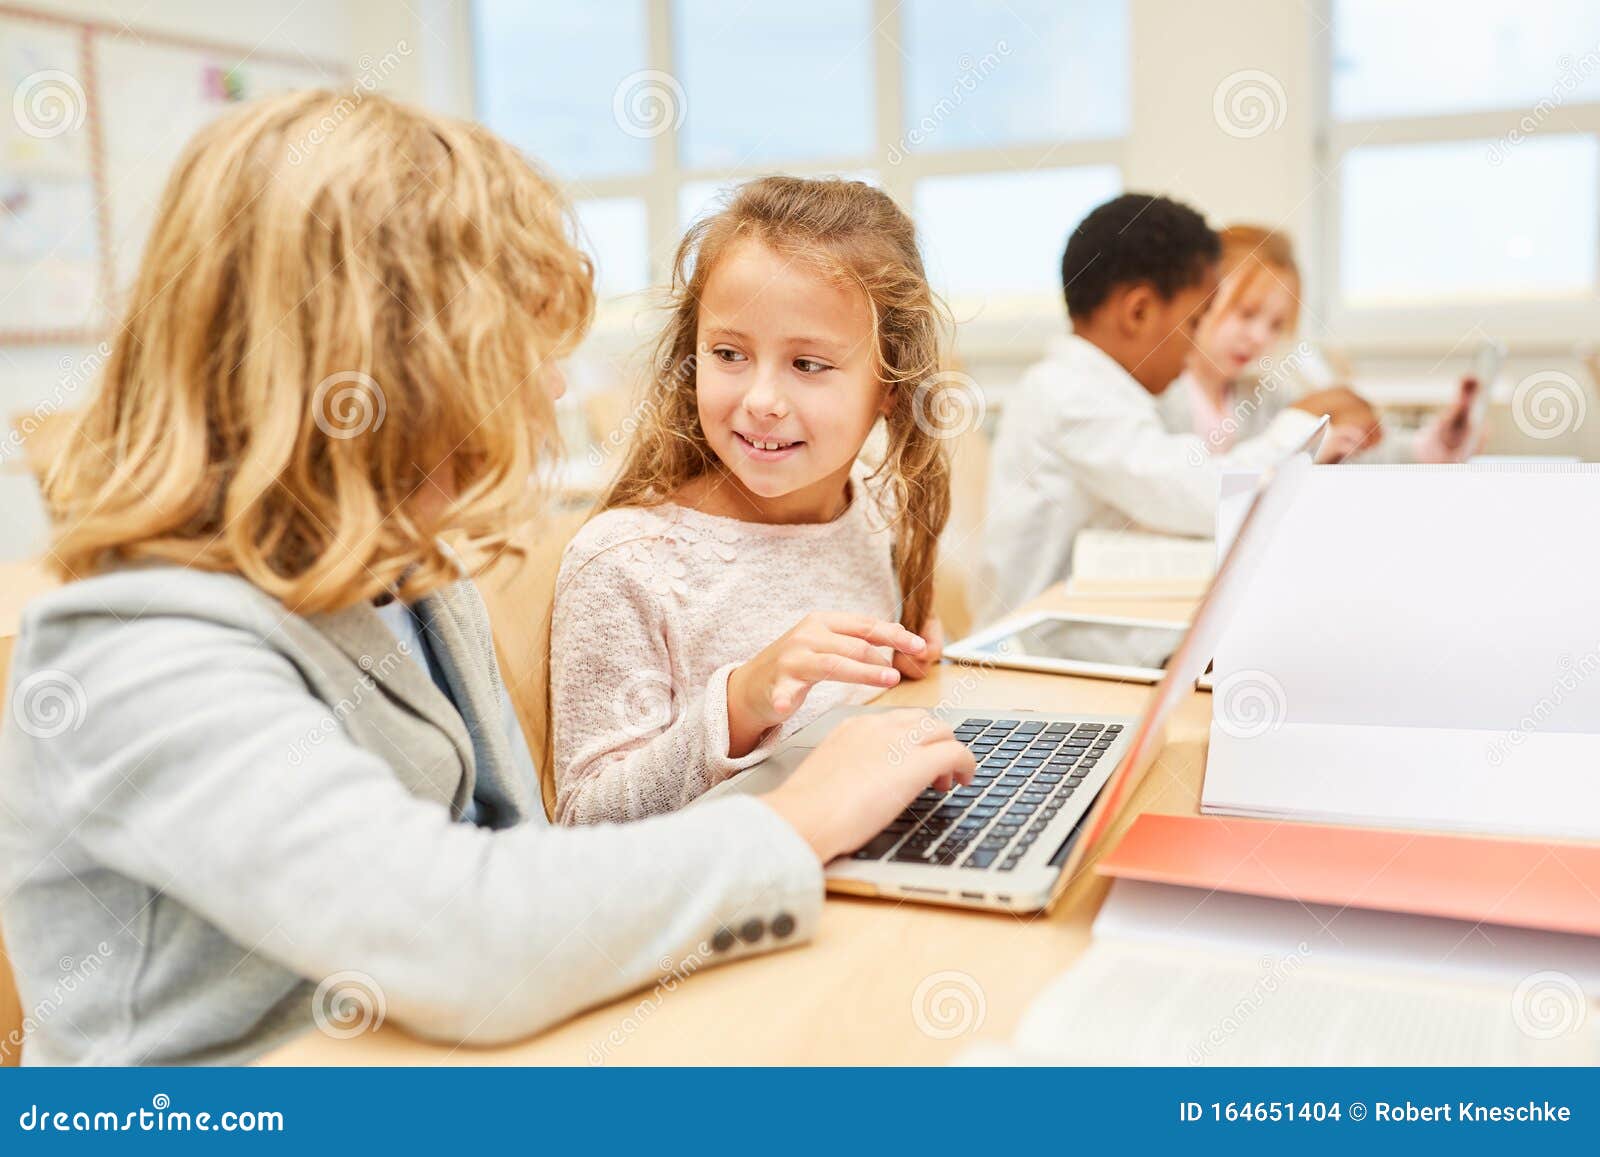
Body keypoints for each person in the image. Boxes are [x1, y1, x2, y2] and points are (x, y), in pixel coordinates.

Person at [0, 92, 972, 1066]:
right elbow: (460, 930)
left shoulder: (414, 574)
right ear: (374, 365)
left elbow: (525, 861)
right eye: (511, 347)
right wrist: (798, 814)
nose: (550, 389)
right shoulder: (135, 653)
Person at [551, 177, 954, 825]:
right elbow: (586, 822)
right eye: (730, 353)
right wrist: (740, 704)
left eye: (809, 364)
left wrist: (910, 664)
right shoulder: (625, 562)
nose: (762, 399)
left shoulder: (872, 517)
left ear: (891, 386)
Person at [981, 193, 1366, 621]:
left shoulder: (1113, 393)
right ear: (1139, 312)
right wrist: (1299, 424)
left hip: (1090, 628)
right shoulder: (1068, 396)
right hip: (1033, 654)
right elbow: (1199, 494)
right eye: (1195, 321)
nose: (1194, 342)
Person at [1162, 224, 1479, 464]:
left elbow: (1365, 444)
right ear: (1200, 298)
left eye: (1275, 325)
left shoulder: (1264, 396)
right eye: (1246, 314)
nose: (1259, 338)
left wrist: (1435, 443)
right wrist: (1297, 455)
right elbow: (1191, 485)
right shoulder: (1163, 397)